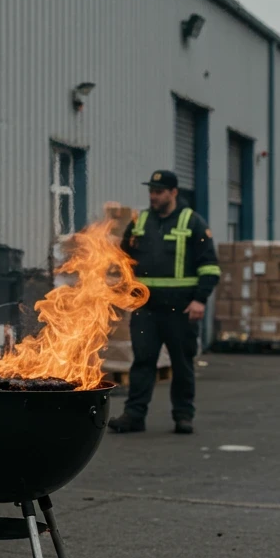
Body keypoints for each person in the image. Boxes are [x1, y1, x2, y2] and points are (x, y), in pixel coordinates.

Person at [108, 169, 221, 435]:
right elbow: (125, 259)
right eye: (151, 191)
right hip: (146, 309)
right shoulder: (139, 221)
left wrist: (199, 300)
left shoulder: (193, 223)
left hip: (181, 309)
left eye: (158, 192)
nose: (153, 196)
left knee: (182, 364)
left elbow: (210, 266)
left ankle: (183, 415)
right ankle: (134, 415)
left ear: (173, 193)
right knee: (142, 361)